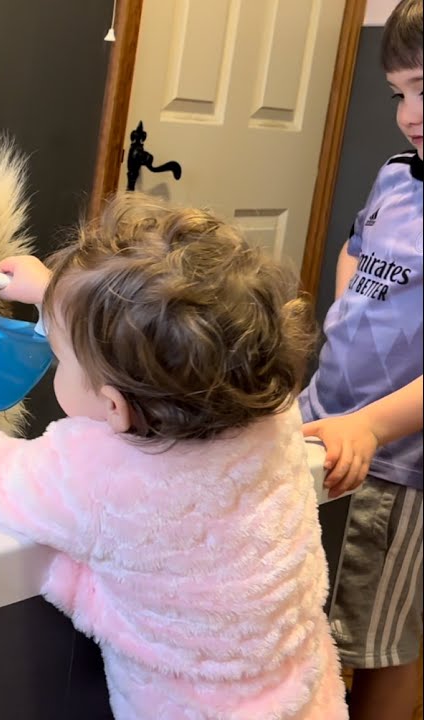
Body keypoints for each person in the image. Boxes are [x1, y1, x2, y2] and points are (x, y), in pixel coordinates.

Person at [0, 193, 347, 719]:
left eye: (59, 356)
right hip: (304, 695)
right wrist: (52, 293)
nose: (55, 362)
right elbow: (156, 318)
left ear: (113, 407)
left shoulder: (95, 474)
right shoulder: (270, 415)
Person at [297, 0, 424, 717]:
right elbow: (357, 246)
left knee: (379, 635)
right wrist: (350, 311)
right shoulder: (398, 174)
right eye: (400, 93)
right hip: (327, 428)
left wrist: (374, 425)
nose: (410, 113)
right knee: (314, 609)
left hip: (397, 465)